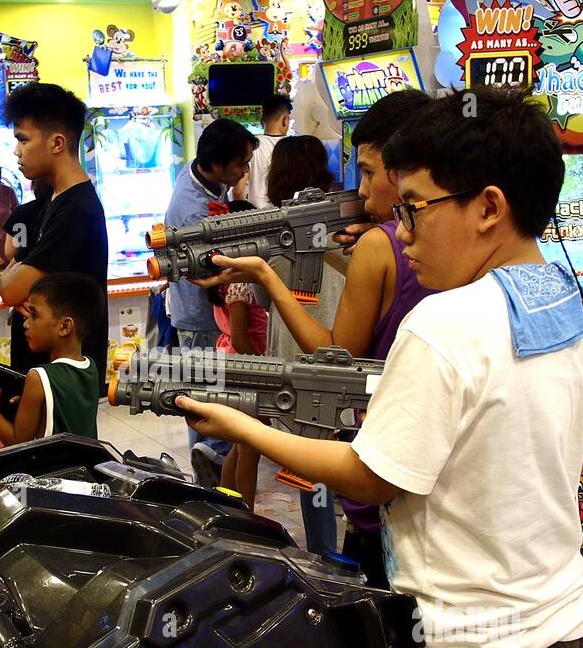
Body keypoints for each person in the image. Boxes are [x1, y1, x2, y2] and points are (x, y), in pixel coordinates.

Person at [177, 88, 583, 648]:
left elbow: (369, 477)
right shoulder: (581, 310)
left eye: (413, 208)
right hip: (566, 640)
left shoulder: (445, 324)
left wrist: (245, 425)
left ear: (487, 206)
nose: (398, 233)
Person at [202, 92, 434, 584]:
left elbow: (334, 353)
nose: (363, 189)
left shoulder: (380, 243)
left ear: (406, 172)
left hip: (381, 472)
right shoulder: (415, 246)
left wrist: (268, 276)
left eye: (369, 172)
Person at [165, 117, 257, 485]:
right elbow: (206, 276)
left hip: (204, 316)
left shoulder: (203, 177)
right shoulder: (194, 210)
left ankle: (211, 468)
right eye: (240, 165)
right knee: (206, 398)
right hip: (201, 316)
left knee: (204, 392)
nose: (245, 171)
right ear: (216, 164)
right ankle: (212, 473)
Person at [0, 83, 109, 381]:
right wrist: (19, 279)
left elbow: (10, 289)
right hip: (46, 371)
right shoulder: (53, 200)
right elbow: (13, 280)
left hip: (63, 377)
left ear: (57, 143)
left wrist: (18, 282)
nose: (16, 151)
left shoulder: (75, 209)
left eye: (23, 140)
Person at [0, 272, 102, 442]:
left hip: (51, 467)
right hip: (85, 464)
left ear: (65, 326)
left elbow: (16, 441)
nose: (25, 324)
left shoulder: (38, 377)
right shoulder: (90, 366)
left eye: (34, 315)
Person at [205, 278, 267, 508]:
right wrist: (265, 368)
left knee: (239, 445)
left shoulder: (223, 284)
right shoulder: (239, 285)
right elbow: (241, 339)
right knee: (250, 448)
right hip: (244, 368)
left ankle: (227, 507)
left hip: (229, 360)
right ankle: (248, 514)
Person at [247, 92, 292, 208]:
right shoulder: (294, 147)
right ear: (285, 120)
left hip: (255, 216)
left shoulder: (250, 145)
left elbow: (238, 191)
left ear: (262, 121)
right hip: (285, 214)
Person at [3, 180, 50, 263]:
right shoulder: (66, 209)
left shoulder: (23, 212)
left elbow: (10, 252)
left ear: (34, 186)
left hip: (25, 268)